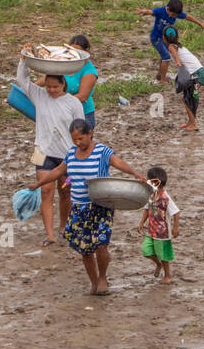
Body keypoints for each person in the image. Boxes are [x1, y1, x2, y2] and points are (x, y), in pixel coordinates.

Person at [35, 119, 147, 295]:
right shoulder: (71, 153)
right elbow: (58, 171)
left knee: (101, 245)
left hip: (100, 205)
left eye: (81, 139)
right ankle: (94, 283)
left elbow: (118, 162)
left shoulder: (102, 151)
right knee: (85, 249)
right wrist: (38, 184)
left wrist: (135, 173)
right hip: (79, 208)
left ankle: (102, 278)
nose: (78, 143)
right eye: (74, 140)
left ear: (90, 134)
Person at [15, 56, 84, 247]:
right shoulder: (39, 96)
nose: (52, 90)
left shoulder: (73, 103)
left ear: (63, 84)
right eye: (49, 87)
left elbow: (81, 130)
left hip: (67, 157)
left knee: (66, 191)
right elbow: (22, 80)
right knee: (45, 191)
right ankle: (49, 234)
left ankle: (64, 227)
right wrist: (23, 58)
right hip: (42, 152)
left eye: (55, 87)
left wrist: (80, 154)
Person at [137, 0, 204, 84]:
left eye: (176, 15)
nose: (174, 16)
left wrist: (201, 25)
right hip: (156, 38)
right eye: (173, 15)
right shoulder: (160, 11)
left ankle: (160, 75)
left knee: (164, 56)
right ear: (168, 9)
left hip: (166, 40)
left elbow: (188, 17)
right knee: (166, 58)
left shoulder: (176, 13)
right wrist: (144, 11)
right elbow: (151, 12)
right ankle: (162, 80)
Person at [139, 166, 180, 282]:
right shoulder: (152, 196)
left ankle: (168, 275)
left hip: (162, 233)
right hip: (151, 231)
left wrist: (175, 228)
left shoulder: (165, 198)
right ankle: (158, 264)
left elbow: (176, 212)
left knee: (164, 254)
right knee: (146, 250)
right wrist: (142, 222)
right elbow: (147, 209)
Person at [163, 26, 204, 131]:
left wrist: (178, 64)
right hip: (201, 73)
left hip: (194, 75)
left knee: (187, 99)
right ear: (177, 37)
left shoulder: (171, 47)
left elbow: (176, 56)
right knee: (191, 98)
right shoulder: (178, 46)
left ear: (164, 38)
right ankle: (191, 122)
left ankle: (193, 124)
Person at [65, 34, 100, 127]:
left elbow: (82, 96)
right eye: (72, 50)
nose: (75, 53)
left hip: (84, 116)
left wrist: (59, 102)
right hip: (65, 113)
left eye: (78, 51)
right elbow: (51, 76)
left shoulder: (89, 71)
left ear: (87, 50)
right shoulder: (67, 63)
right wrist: (32, 86)